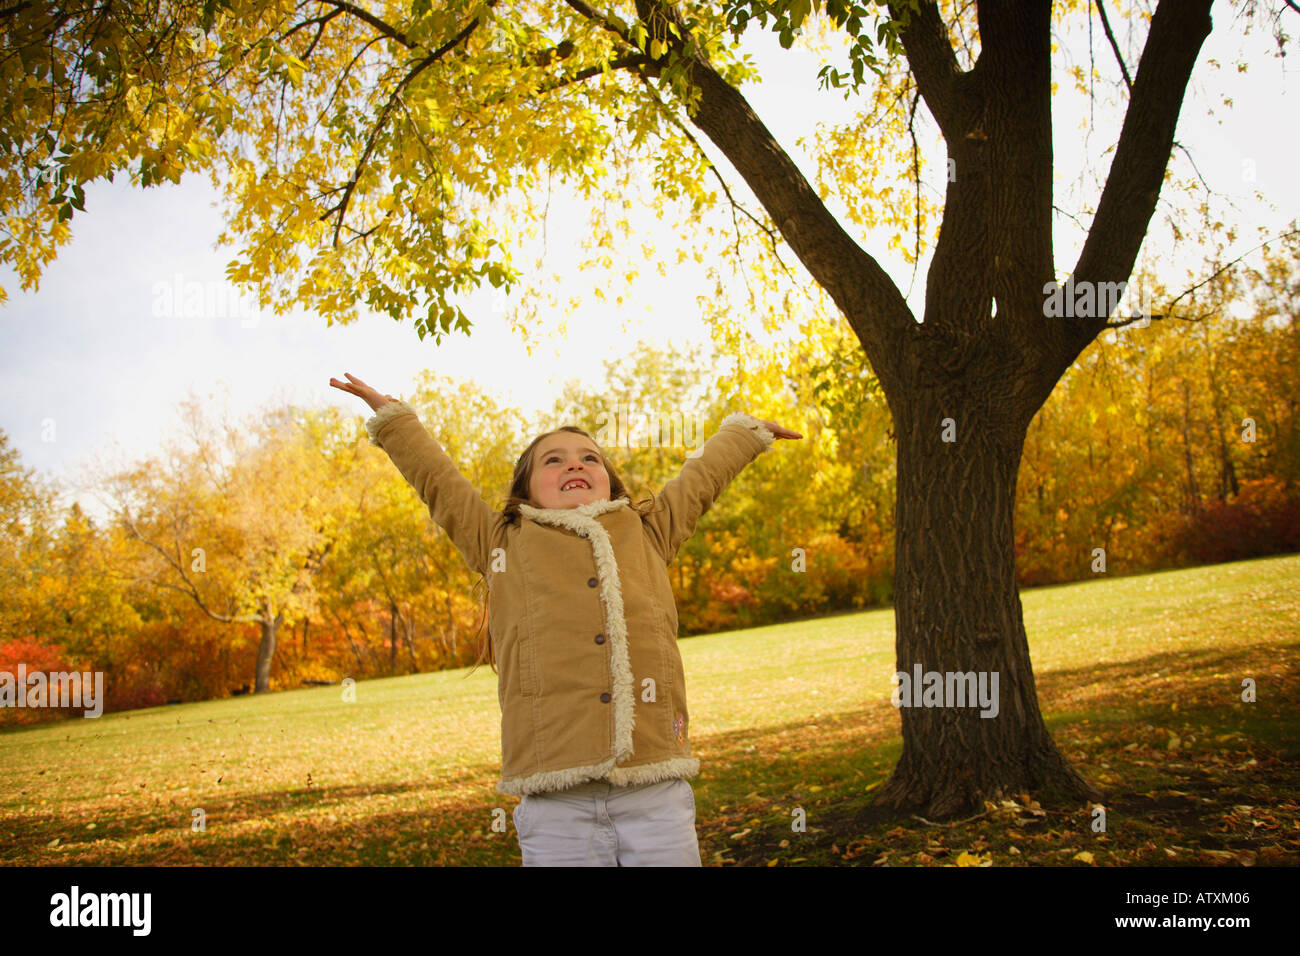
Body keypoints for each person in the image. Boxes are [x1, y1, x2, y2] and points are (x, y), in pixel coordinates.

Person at [328, 371, 802, 865]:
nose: (573, 464)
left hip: (655, 783)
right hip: (557, 799)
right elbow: (439, 482)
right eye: (553, 461)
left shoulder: (648, 531)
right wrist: (394, 420)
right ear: (527, 491)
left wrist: (744, 434)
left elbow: (701, 480)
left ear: (609, 481)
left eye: (588, 458)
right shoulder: (501, 541)